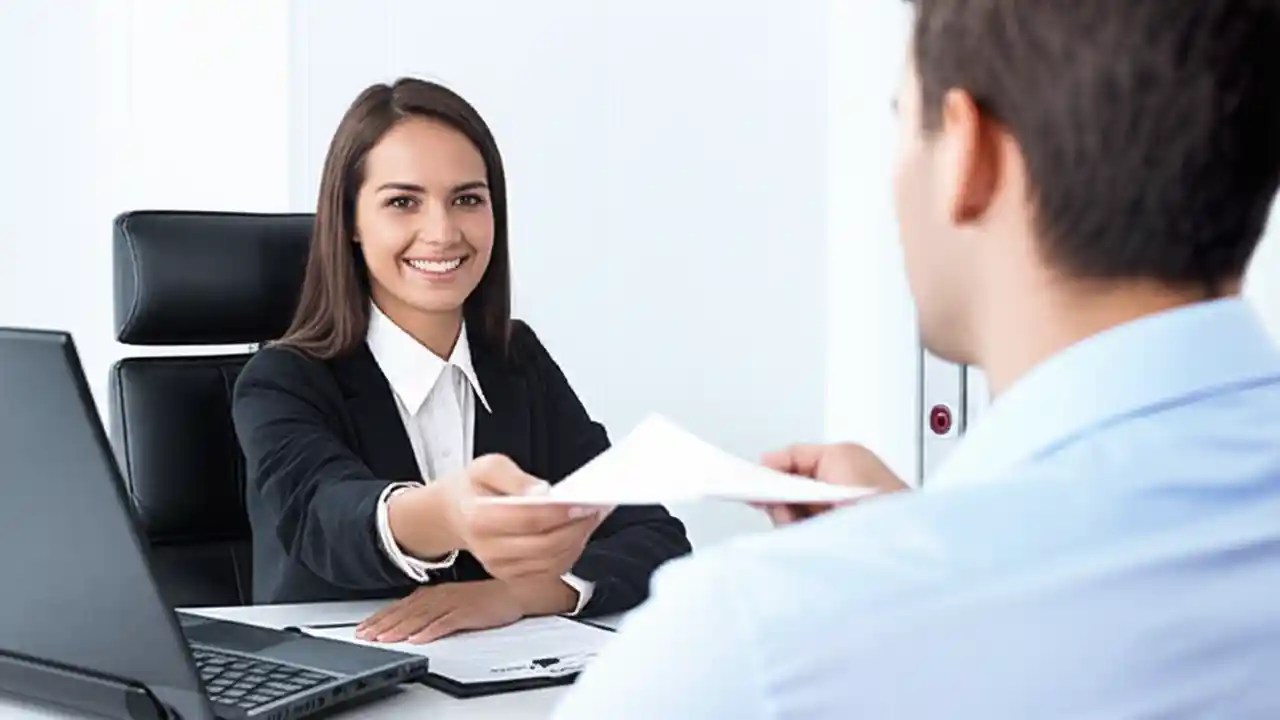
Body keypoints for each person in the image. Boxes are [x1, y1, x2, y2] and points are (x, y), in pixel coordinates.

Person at [555, 1, 1280, 716]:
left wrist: (910, 557)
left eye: (903, 121)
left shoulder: (752, 648)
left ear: (969, 154)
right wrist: (920, 529)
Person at [232, 78, 690, 643]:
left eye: (467, 199)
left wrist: (518, 593)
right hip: (346, 674)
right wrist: (446, 515)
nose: (442, 233)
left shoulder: (515, 361)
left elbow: (654, 537)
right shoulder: (283, 380)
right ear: (349, 220)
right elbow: (326, 517)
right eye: (403, 202)